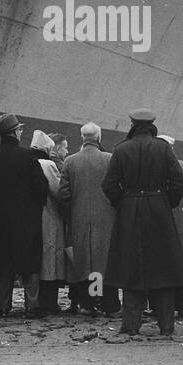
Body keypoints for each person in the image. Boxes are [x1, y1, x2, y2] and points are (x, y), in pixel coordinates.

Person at [101, 108, 183, 336]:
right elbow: (178, 180)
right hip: (158, 209)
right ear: (151, 125)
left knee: (131, 269)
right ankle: (166, 325)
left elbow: (109, 184)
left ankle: (131, 324)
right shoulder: (163, 148)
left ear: (132, 124)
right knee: (164, 268)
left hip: (130, 210)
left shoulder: (121, 149)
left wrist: (123, 201)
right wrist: (166, 201)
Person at [0, 114, 47, 316]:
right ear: (16, 132)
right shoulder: (29, 158)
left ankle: (3, 305)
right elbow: (41, 188)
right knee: (30, 263)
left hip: (0, 220)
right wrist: (34, 209)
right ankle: (31, 305)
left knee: (3, 263)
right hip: (27, 221)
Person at [60, 123, 118, 316]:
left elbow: (64, 196)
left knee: (86, 263)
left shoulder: (70, 161)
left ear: (82, 138)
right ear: (99, 137)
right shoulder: (109, 159)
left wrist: (70, 218)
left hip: (79, 220)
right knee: (103, 263)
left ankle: (88, 303)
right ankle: (107, 303)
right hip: (106, 220)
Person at [32, 130, 69, 314]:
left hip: (33, 218)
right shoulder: (48, 165)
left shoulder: (29, 162)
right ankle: (49, 302)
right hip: (50, 217)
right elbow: (59, 192)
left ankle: (34, 301)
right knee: (51, 262)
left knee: (37, 261)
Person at [160, 133, 183, 316]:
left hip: (160, 220)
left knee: (161, 262)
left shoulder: (155, 167)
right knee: (182, 260)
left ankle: (159, 306)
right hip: (181, 221)